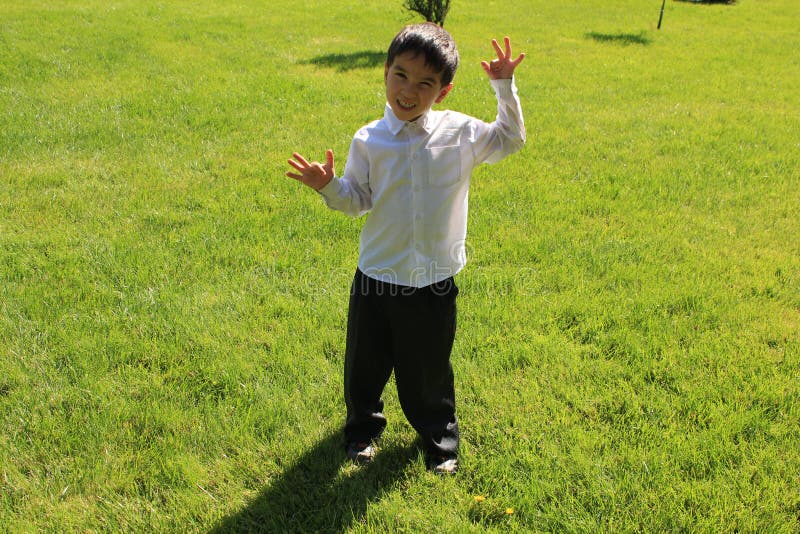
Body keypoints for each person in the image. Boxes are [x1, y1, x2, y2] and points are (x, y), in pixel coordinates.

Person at [286, 22, 526, 474]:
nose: (409, 91)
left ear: (445, 90)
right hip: (377, 276)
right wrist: (328, 186)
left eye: (425, 83)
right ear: (385, 72)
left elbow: (510, 139)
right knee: (364, 365)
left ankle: (440, 443)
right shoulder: (369, 139)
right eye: (401, 75)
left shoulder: (461, 134)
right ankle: (361, 432)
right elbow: (358, 200)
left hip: (433, 280)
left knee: (428, 371)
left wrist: (503, 86)